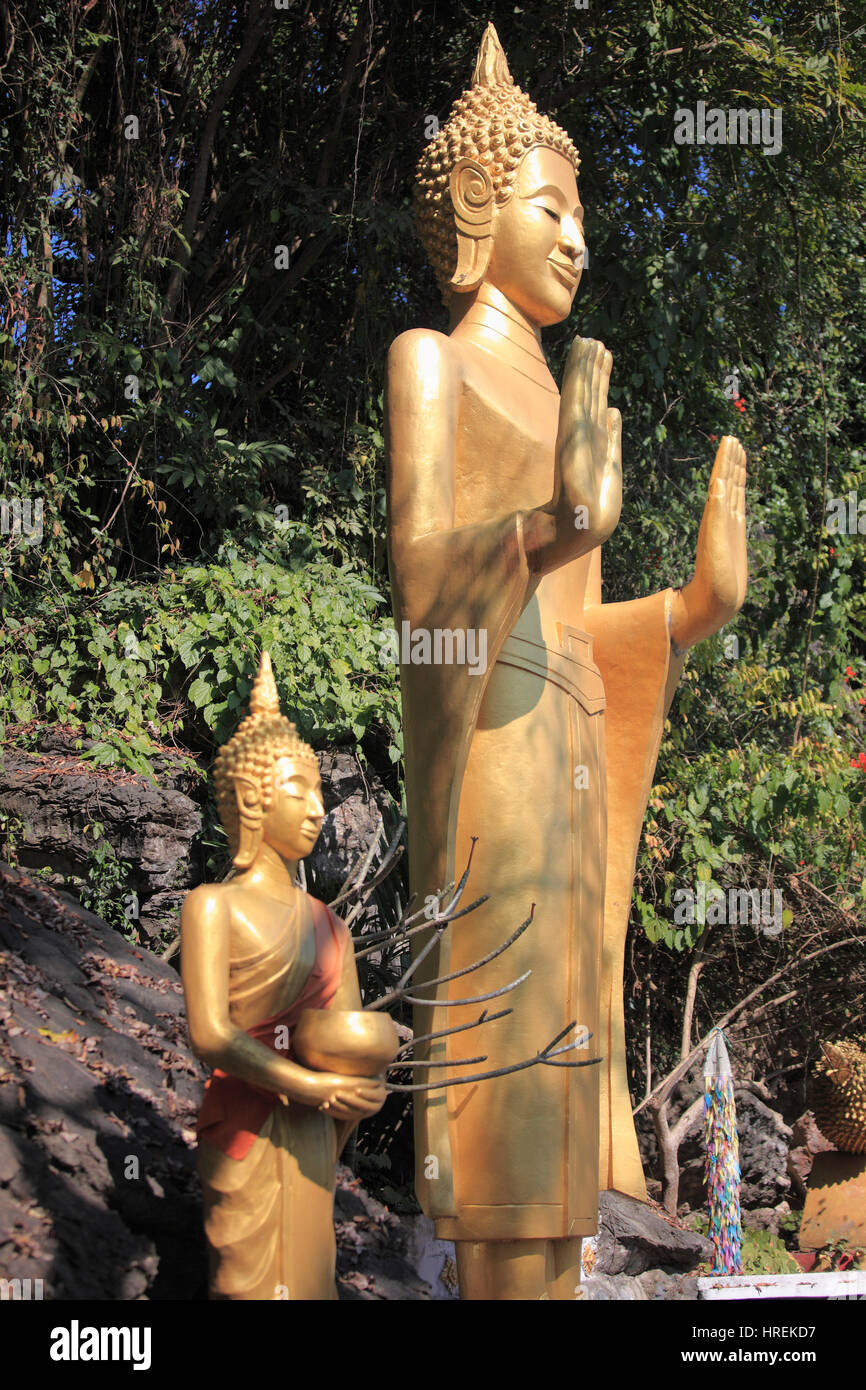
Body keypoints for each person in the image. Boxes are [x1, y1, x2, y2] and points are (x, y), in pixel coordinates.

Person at [386, 23, 747, 1299]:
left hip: (571, 756)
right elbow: (423, 583)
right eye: (552, 207)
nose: (578, 239)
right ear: (480, 202)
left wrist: (687, 610)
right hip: (491, 750)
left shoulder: (561, 395)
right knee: (498, 1132)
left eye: (579, 213)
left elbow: (574, 616)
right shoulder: (429, 363)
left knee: (558, 1122)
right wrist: (548, 525)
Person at [181, 652, 386, 1299]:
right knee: (248, 1286)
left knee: (310, 1282)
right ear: (248, 795)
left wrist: (357, 1094)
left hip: (311, 1136)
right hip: (248, 1120)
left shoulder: (332, 928)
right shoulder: (212, 906)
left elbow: (349, 1047)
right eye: (298, 788)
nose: (317, 808)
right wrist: (307, 1086)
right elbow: (212, 1034)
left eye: (319, 790)